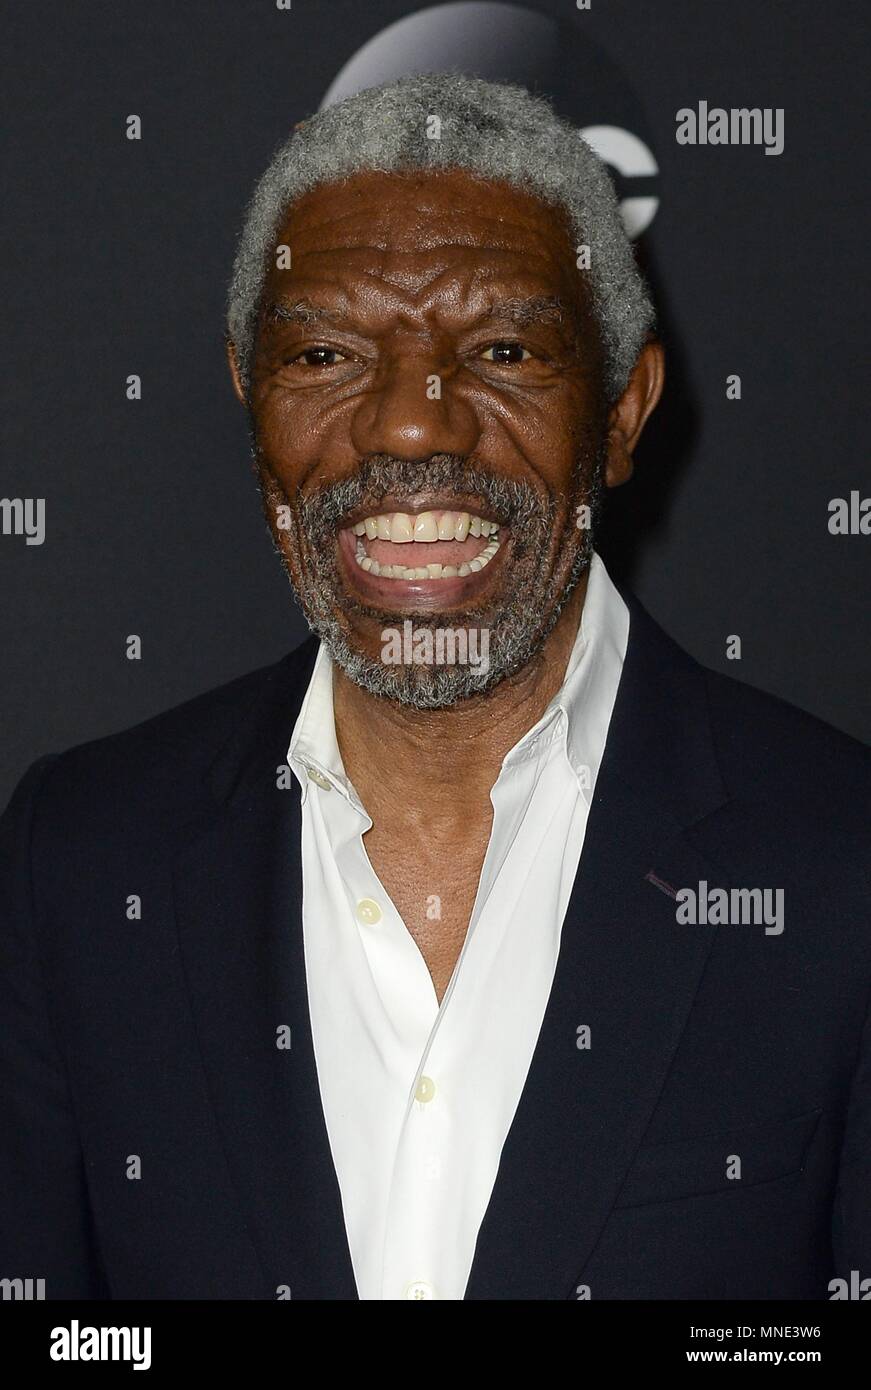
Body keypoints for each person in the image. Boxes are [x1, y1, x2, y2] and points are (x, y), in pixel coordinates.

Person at [1, 74, 869, 1302]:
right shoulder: (81, 862)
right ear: (253, 400)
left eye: (504, 349)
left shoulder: (839, 865)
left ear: (622, 406)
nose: (414, 426)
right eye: (325, 352)